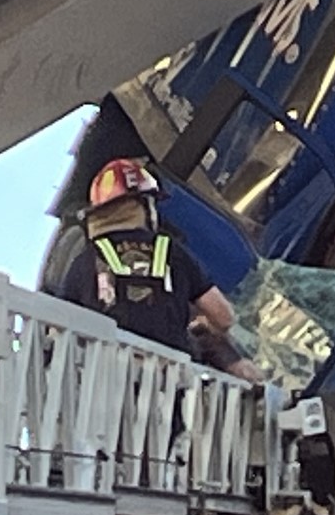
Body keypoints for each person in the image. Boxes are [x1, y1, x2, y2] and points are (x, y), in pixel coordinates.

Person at [50, 156, 262, 382]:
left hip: (106, 386)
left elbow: (57, 327)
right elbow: (223, 316)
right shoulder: (171, 250)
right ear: (144, 205)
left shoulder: (86, 259)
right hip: (166, 385)